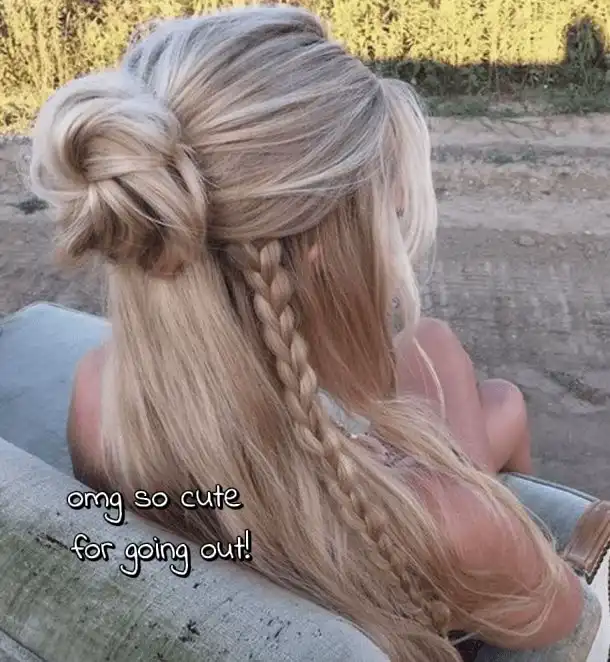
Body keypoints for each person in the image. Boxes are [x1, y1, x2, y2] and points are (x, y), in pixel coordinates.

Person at [29, 7, 604, 661]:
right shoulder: (448, 525)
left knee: (464, 370)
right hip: (430, 594)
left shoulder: (96, 395)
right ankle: (503, 487)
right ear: (318, 258)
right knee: (460, 370)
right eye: (387, 219)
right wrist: (465, 493)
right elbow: (570, 625)